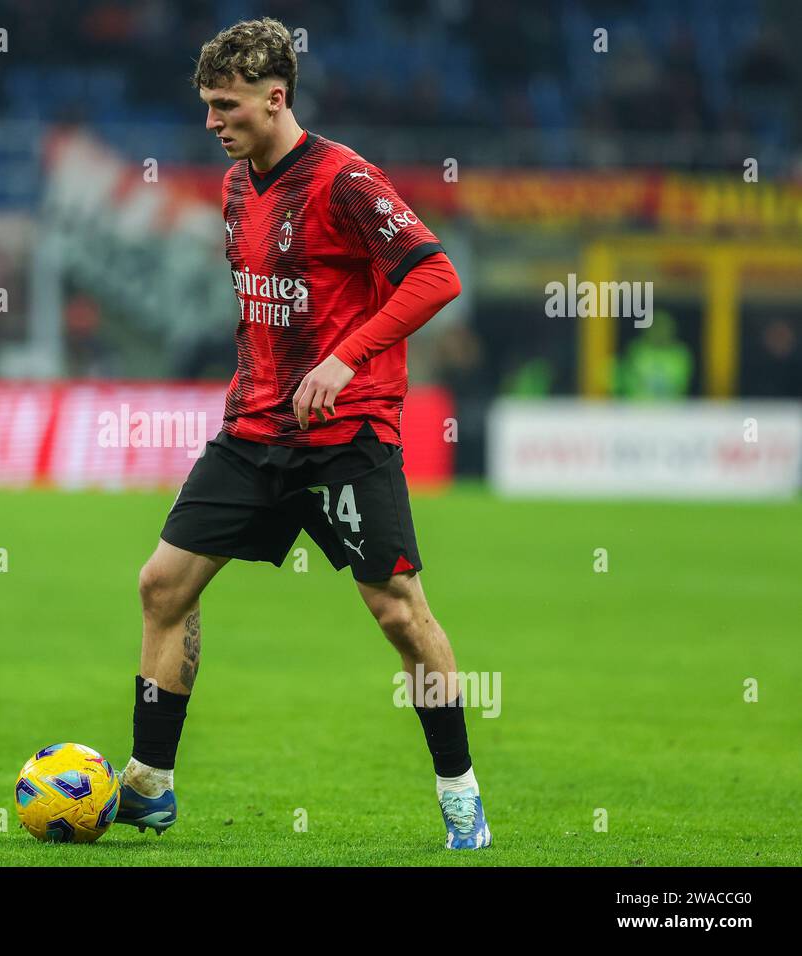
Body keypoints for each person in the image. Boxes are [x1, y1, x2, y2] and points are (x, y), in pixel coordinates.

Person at [116, 18, 490, 849]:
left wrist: (345, 360)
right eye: (207, 106)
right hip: (252, 434)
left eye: (226, 106)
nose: (211, 122)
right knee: (162, 586)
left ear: (274, 97)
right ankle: (150, 783)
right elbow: (264, 309)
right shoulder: (236, 186)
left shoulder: (344, 179)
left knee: (398, 613)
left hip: (344, 435)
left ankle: (460, 792)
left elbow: (436, 275)